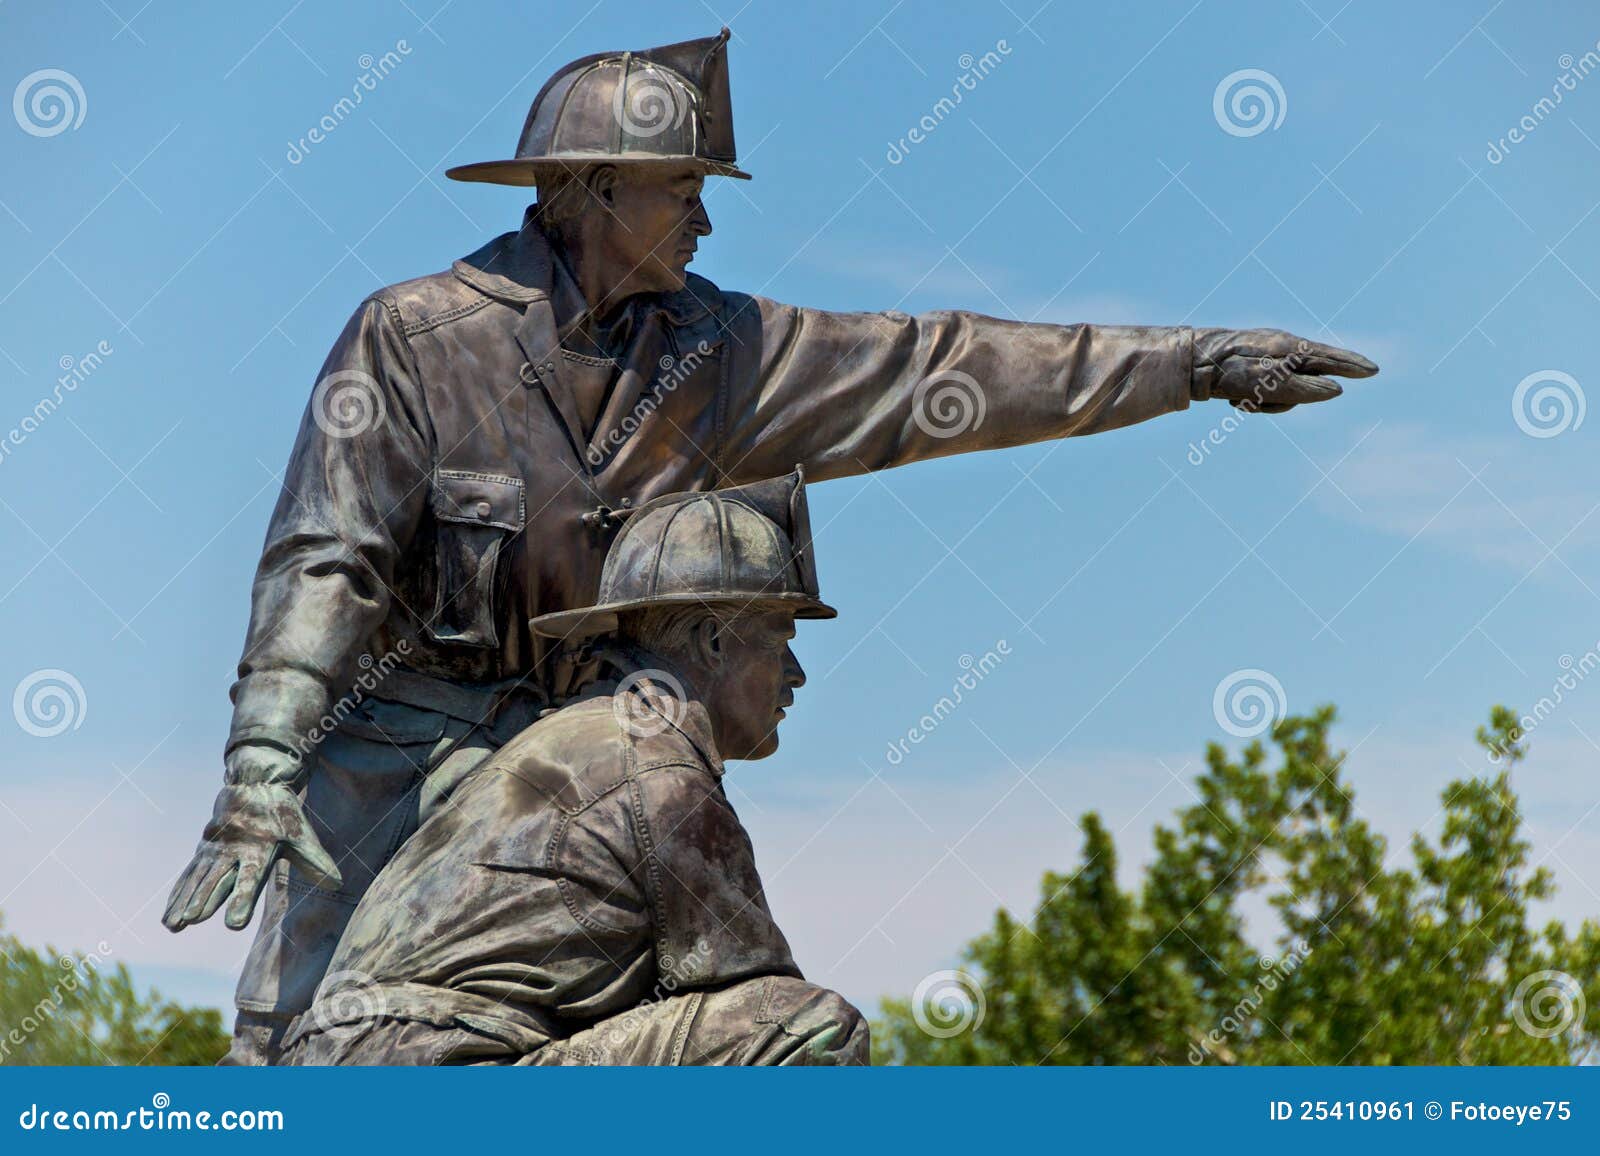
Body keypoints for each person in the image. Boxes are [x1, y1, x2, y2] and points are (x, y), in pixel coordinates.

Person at [162, 28, 1380, 1064]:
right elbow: (328, 555)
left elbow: (934, 368)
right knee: (298, 1066)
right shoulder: (416, 337)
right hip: (387, 761)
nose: (702, 213)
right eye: (677, 186)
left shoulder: (722, 354)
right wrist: (265, 759)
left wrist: (1194, 363)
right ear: (584, 189)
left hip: (576, 777)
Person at [283, 471, 867, 1065]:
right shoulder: (659, 774)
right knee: (805, 1026)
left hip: (353, 1060)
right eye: (778, 640)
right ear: (711, 641)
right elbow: (757, 998)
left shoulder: (562, 739)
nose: (795, 673)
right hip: (441, 1069)